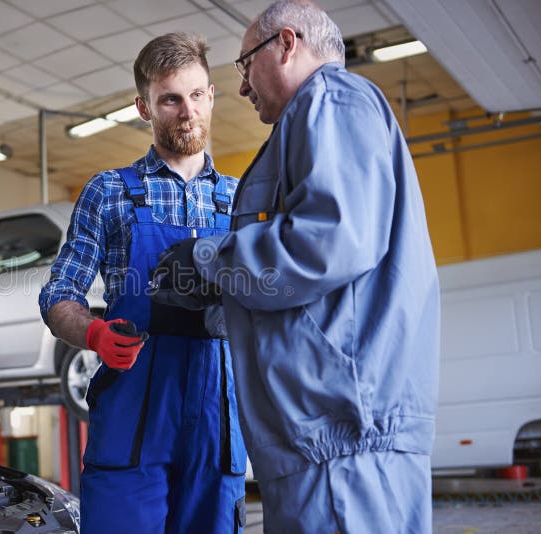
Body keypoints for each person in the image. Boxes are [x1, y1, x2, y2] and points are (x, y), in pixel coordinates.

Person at [152, 1, 440, 532]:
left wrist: (208, 259)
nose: (243, 86)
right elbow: (316, 286)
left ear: (286, 44)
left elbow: (327, 242)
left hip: (339, 442)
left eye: (245, 65)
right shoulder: (314, 120)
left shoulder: (330, 102)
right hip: (326, 439)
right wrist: (218, 307)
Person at [38, 32, 247, 533]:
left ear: (211, 97)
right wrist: (94, 334)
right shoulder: (109, 192)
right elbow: (59, 294)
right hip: (133, 420)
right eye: (170, 99)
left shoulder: (242, 200)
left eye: (196, 95)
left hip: (216, 422)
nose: (187, 112)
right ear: (144, 107)